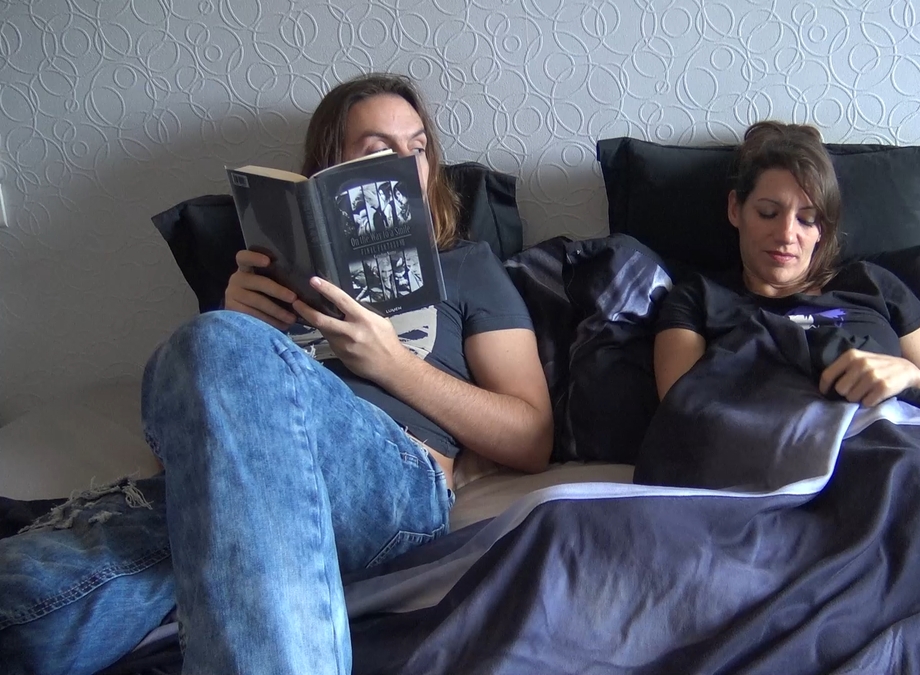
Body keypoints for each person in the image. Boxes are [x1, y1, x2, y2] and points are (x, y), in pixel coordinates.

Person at [0, 72, 553, 675]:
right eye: (377, 151)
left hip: (391, 482)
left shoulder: (467, 266)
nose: (405, 164)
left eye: (416, 148)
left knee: (214, 340)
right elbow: (187, 454)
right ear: (328, 172)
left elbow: (530, 439)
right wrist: (236, 323)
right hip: (239, 481)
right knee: (26, 606)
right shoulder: (269, 281)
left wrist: (391, 364)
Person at [654, 121, 920, 405]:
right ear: (736, 209)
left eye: (807, 219)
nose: (786, 235)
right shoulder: (698, 299)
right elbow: (682, 414)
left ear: (823, 229)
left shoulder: (874, 286)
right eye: (768, 213)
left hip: (893, 435)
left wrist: (912, 377)